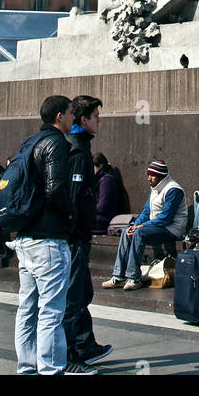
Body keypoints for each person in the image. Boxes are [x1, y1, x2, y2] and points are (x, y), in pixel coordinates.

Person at [13, 95, 74, 376]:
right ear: (59, 116)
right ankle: (50, 370)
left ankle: (27, 367)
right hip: (48, 240)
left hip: (24, 237)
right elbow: (55, 190)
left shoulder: (30, 142)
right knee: (51, 311)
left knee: (27, 307)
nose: (74, 118)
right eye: (71, 113)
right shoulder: (57, 143)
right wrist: (70, 218)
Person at [64, 95, 112, 374]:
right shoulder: (77, 151)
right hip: (74, 237)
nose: (100, 120)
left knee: (82, 292)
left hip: (79, 234)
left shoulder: (79, 146)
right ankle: (70, 354)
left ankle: (85, 344)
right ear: (83, 119)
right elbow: (73, 198)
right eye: (96, 116)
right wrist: (78, 232)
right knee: (72, 297)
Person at [103, 160, 187, 291]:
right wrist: (134, 225)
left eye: (152, 175)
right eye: (148, 175)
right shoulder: (154, 188)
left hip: (172, 228)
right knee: (127, 231)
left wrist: (141, 227)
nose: (149, 178)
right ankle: (119, 276)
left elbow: (166, 218)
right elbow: (146, 212)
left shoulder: (173, 190)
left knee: (139, 233)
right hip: (155, 226)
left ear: (161, 176)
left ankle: (134, 278)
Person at [93, 153, 124, 234]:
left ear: (99, 166)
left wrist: (88, 209)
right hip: (99, 218)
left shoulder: (106, 181)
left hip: (102, 221)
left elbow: (102, 206)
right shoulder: (101, 179)